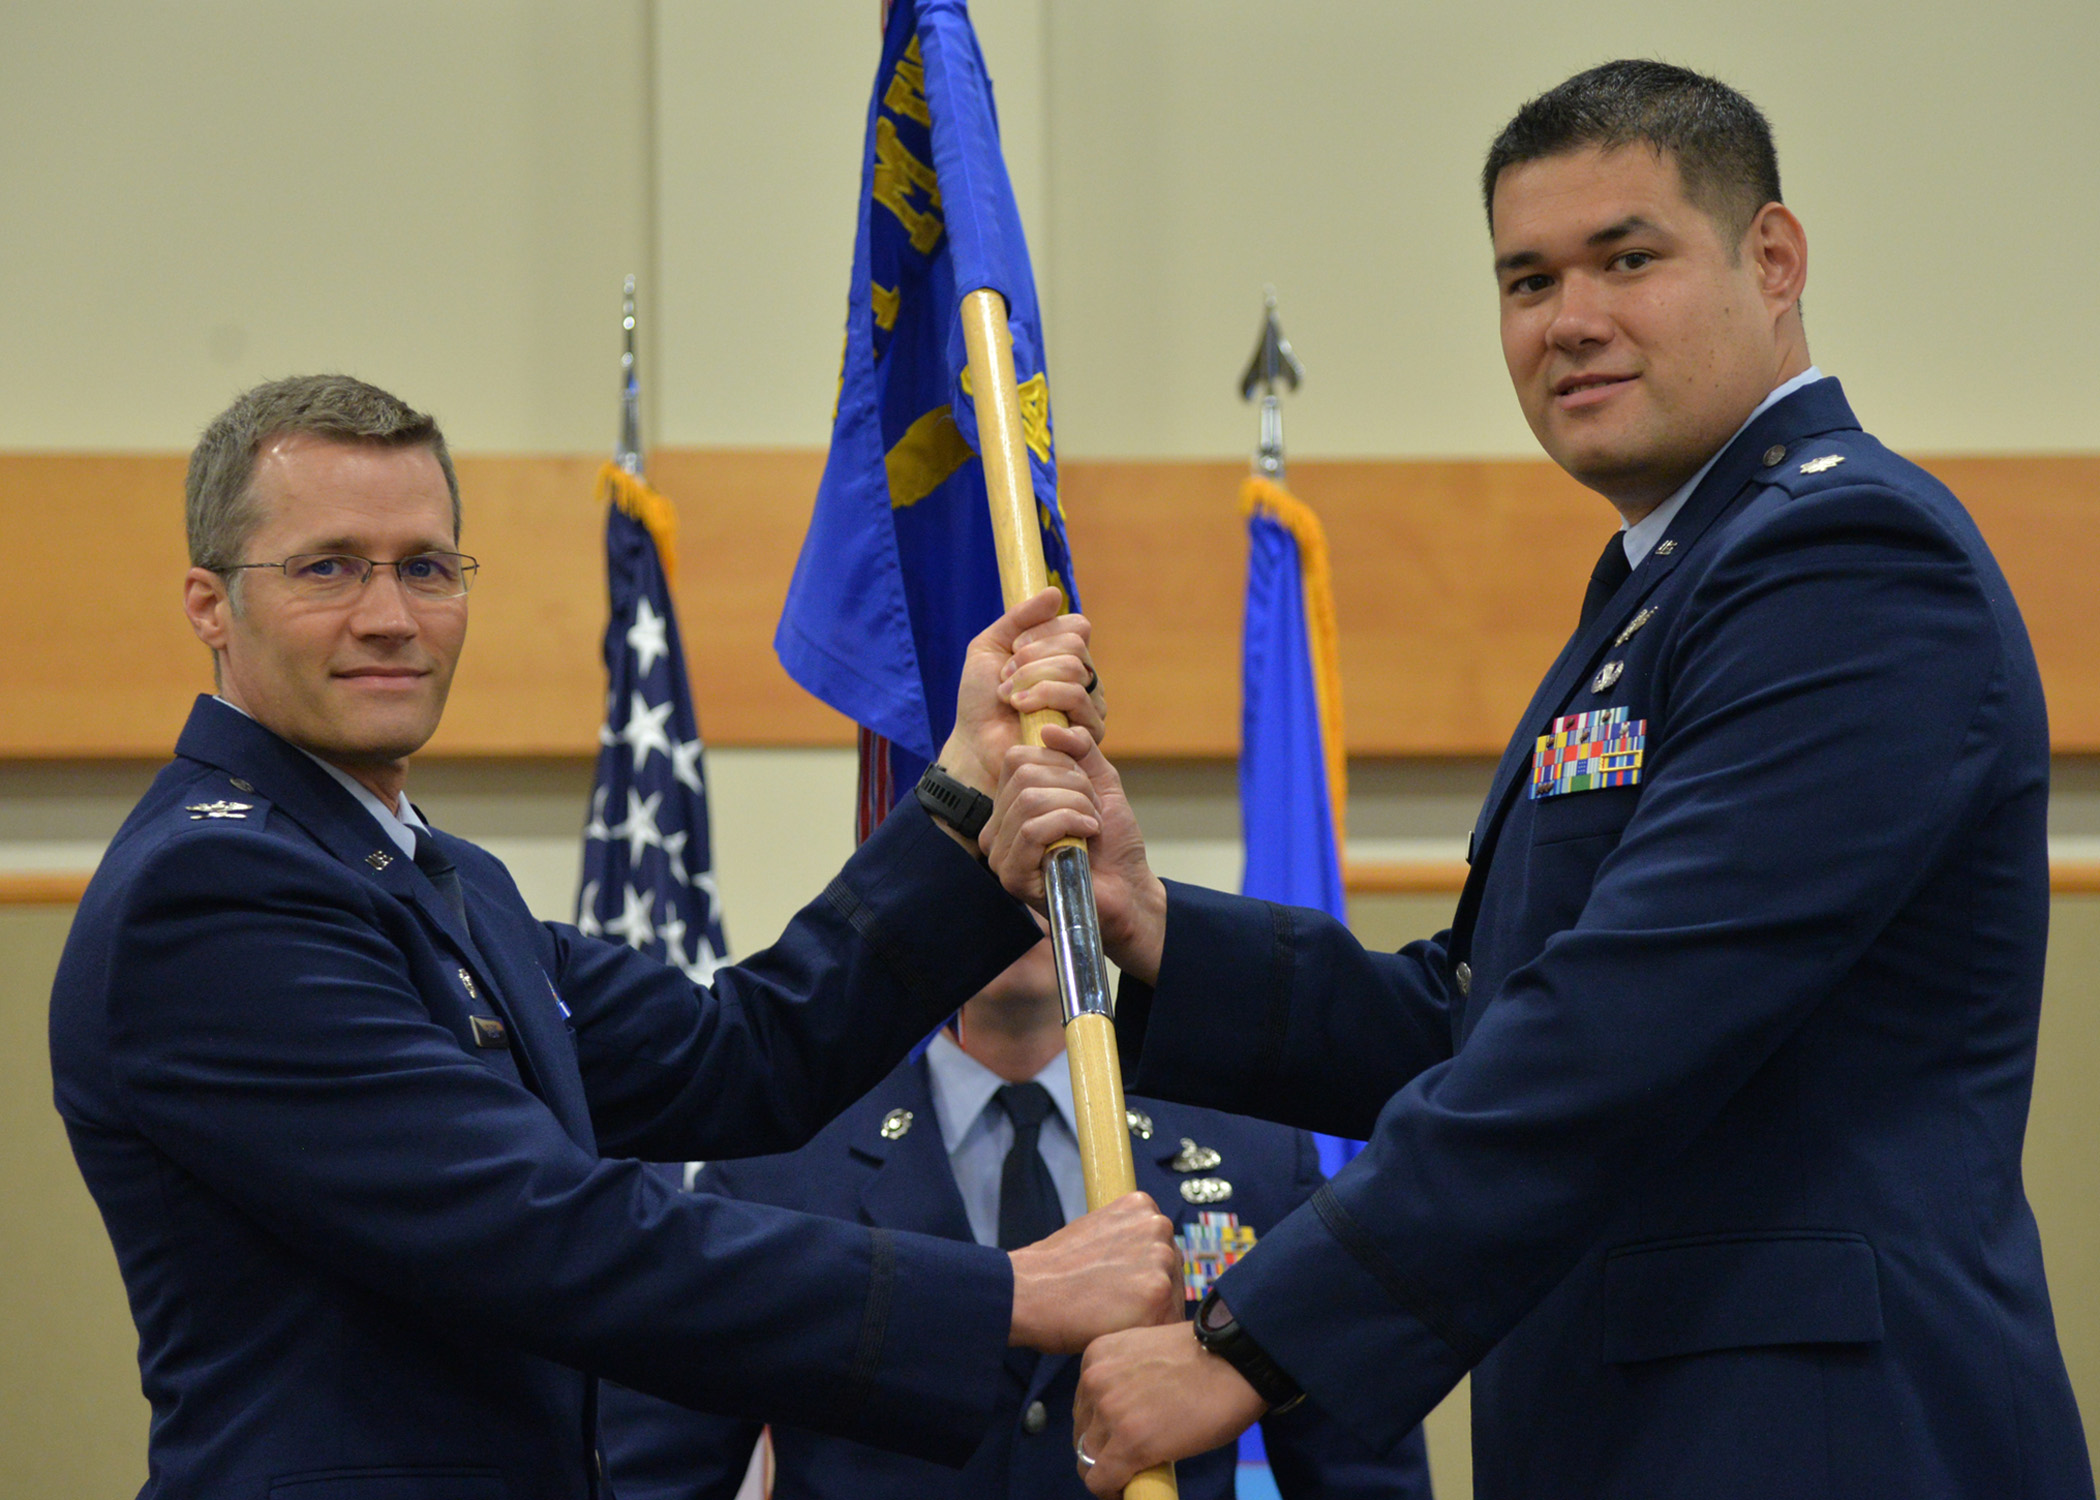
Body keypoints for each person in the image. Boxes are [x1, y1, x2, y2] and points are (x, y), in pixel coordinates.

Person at [984, 61, 2094, 1500]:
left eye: (1627, 259)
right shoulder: (1666, 583)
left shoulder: (1850, 563)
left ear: (1773, 260)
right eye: (1526, 281)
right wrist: (1160, 931)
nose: (1570, 322)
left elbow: (1616, 1029)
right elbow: (1483, 1015)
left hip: (1817, 1443)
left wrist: (1246, 1344)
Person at [47, 374, 1182, 1500]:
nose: (389, 616)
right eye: (328, 567)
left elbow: (739, 1056)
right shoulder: (213, 889)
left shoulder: (440, 878)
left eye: (427, 568)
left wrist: (965, 804)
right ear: (209, 604)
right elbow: (548, 1234)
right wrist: (1006, 1294)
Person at [597, 937, 1435, 1500]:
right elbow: (653, 1481)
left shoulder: (1250, 1154)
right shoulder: (779, 1166)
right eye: (996, 851)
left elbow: (1359, 1474)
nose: (1024, 892)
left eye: (1056, 850)